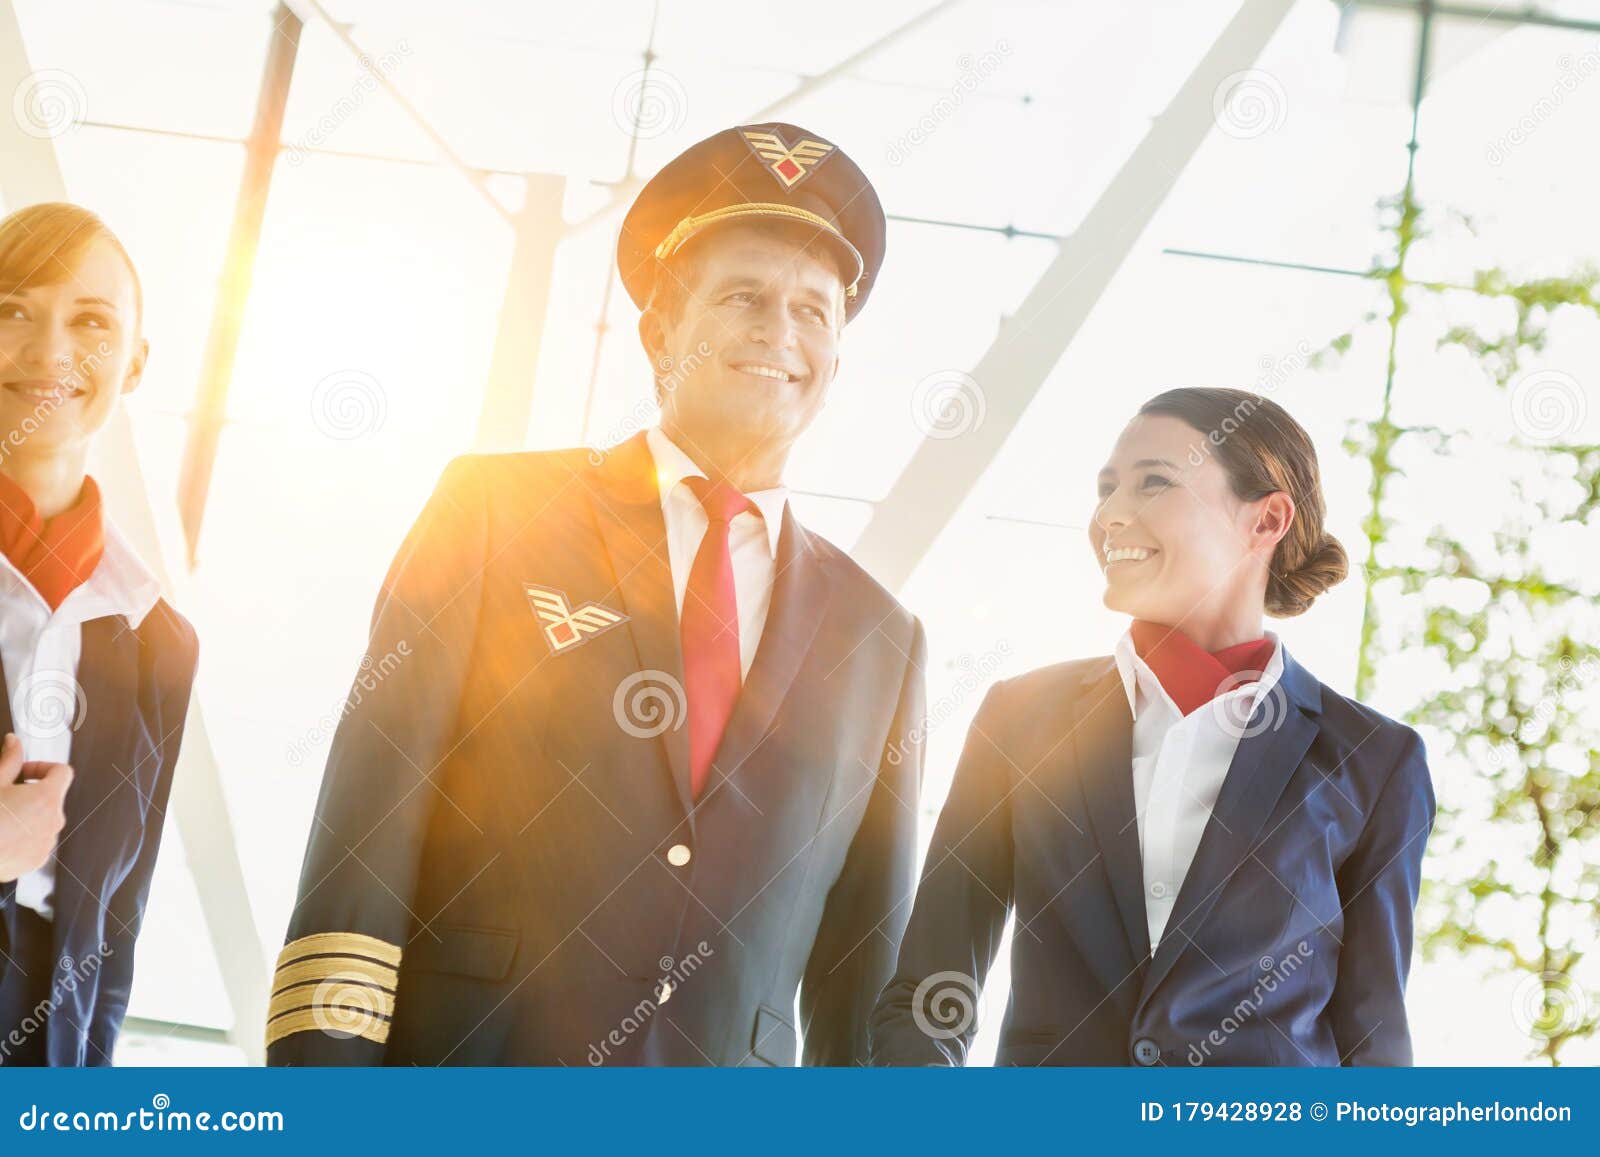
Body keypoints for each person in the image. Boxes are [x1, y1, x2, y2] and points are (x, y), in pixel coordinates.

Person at [267, 123, 926, 1066]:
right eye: (744, 296)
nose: (781, 332)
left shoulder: (883, 640)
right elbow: (368, 828)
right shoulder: (494, 512)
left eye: (814, 311)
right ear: (661, 332)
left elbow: (861, 979)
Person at [870, 387, 1435, 1066]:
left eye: (1153, 483)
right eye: (1106, 489)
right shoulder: (1020, 718)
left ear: (1266, 521)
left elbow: (1374, 1044)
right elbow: (928, 991)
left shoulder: (1375, 762)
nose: (1109, 513)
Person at [0, 202, 199, 1066]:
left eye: (90, 321)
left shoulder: (161, 645)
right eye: (11, 310)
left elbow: (114, 939)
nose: (48, 352)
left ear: (135, 362)